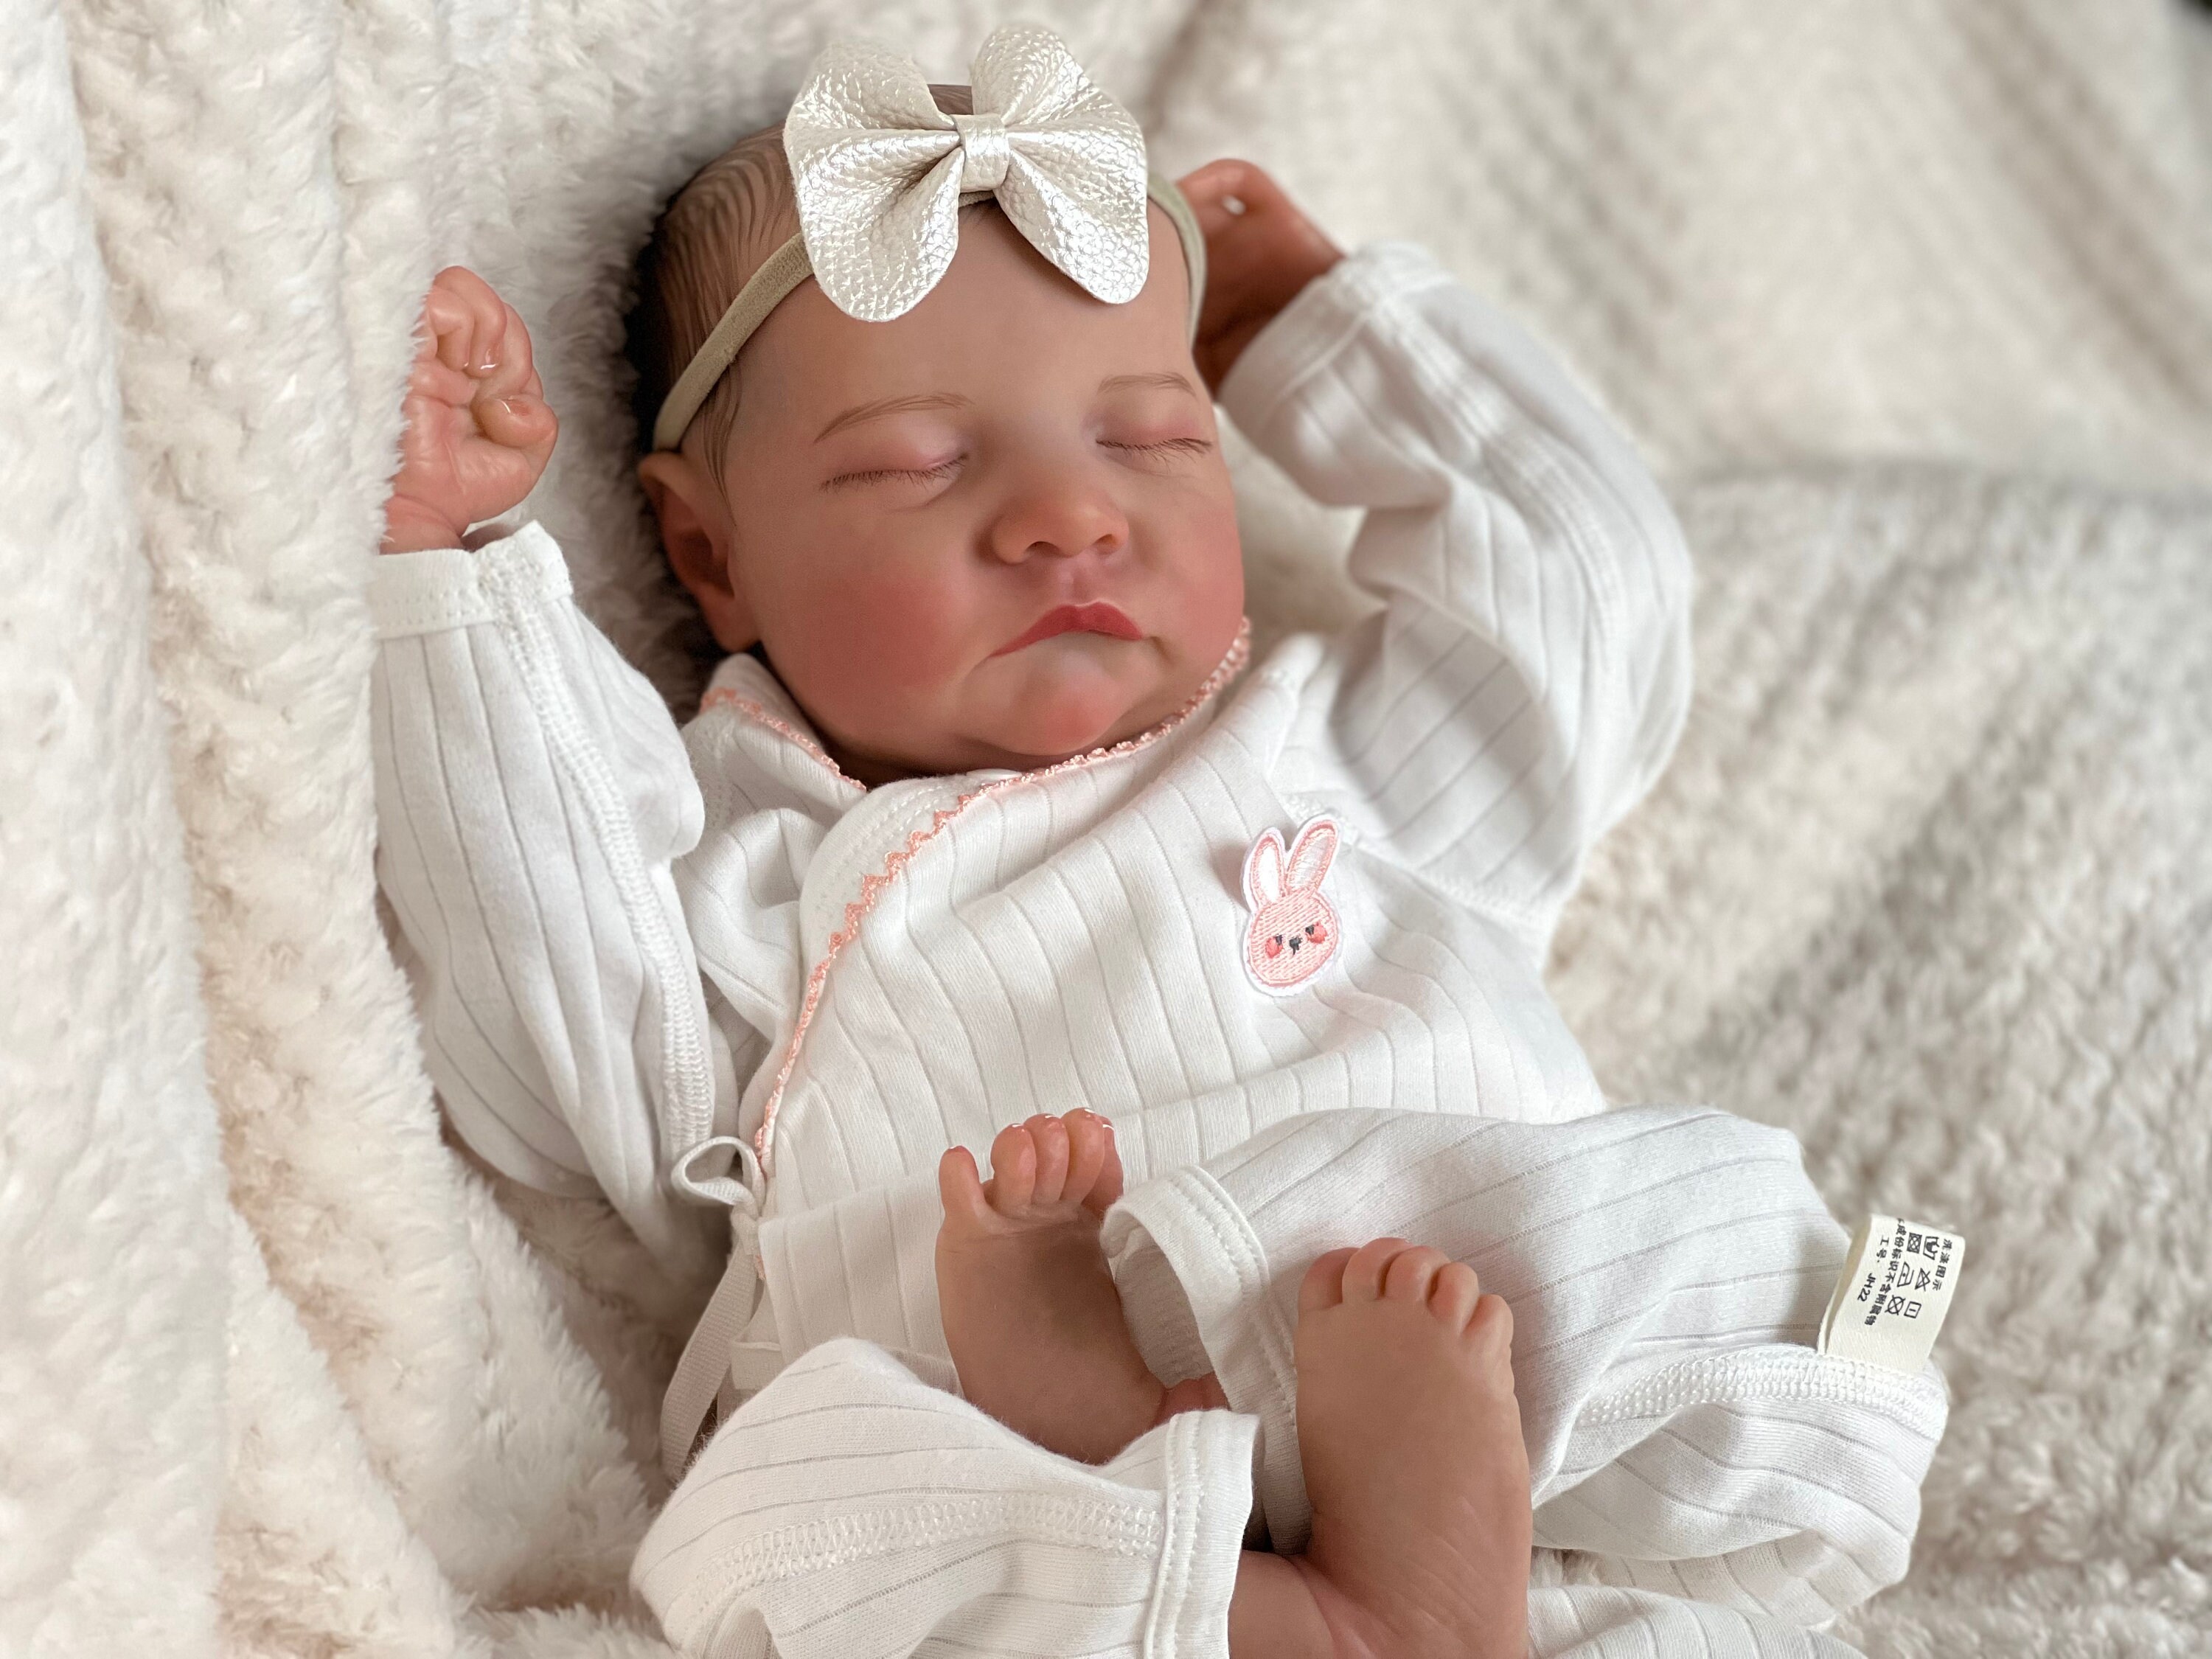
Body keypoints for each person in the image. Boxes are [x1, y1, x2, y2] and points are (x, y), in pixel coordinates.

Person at [369, 26, 1947, 1656]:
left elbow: (1592, 600)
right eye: (922, 462)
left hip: (1476, 1411)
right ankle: (1329, 1604)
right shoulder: (756, 872)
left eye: (1153, 438)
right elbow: (544, 999)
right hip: (1079, 1524)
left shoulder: (1347, 754)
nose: (1072, 512)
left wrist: (1329, 337)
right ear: (711, 554)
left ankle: (1288, 1474)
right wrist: (464, 572)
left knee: (1752, 1244)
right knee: (774, 1505)